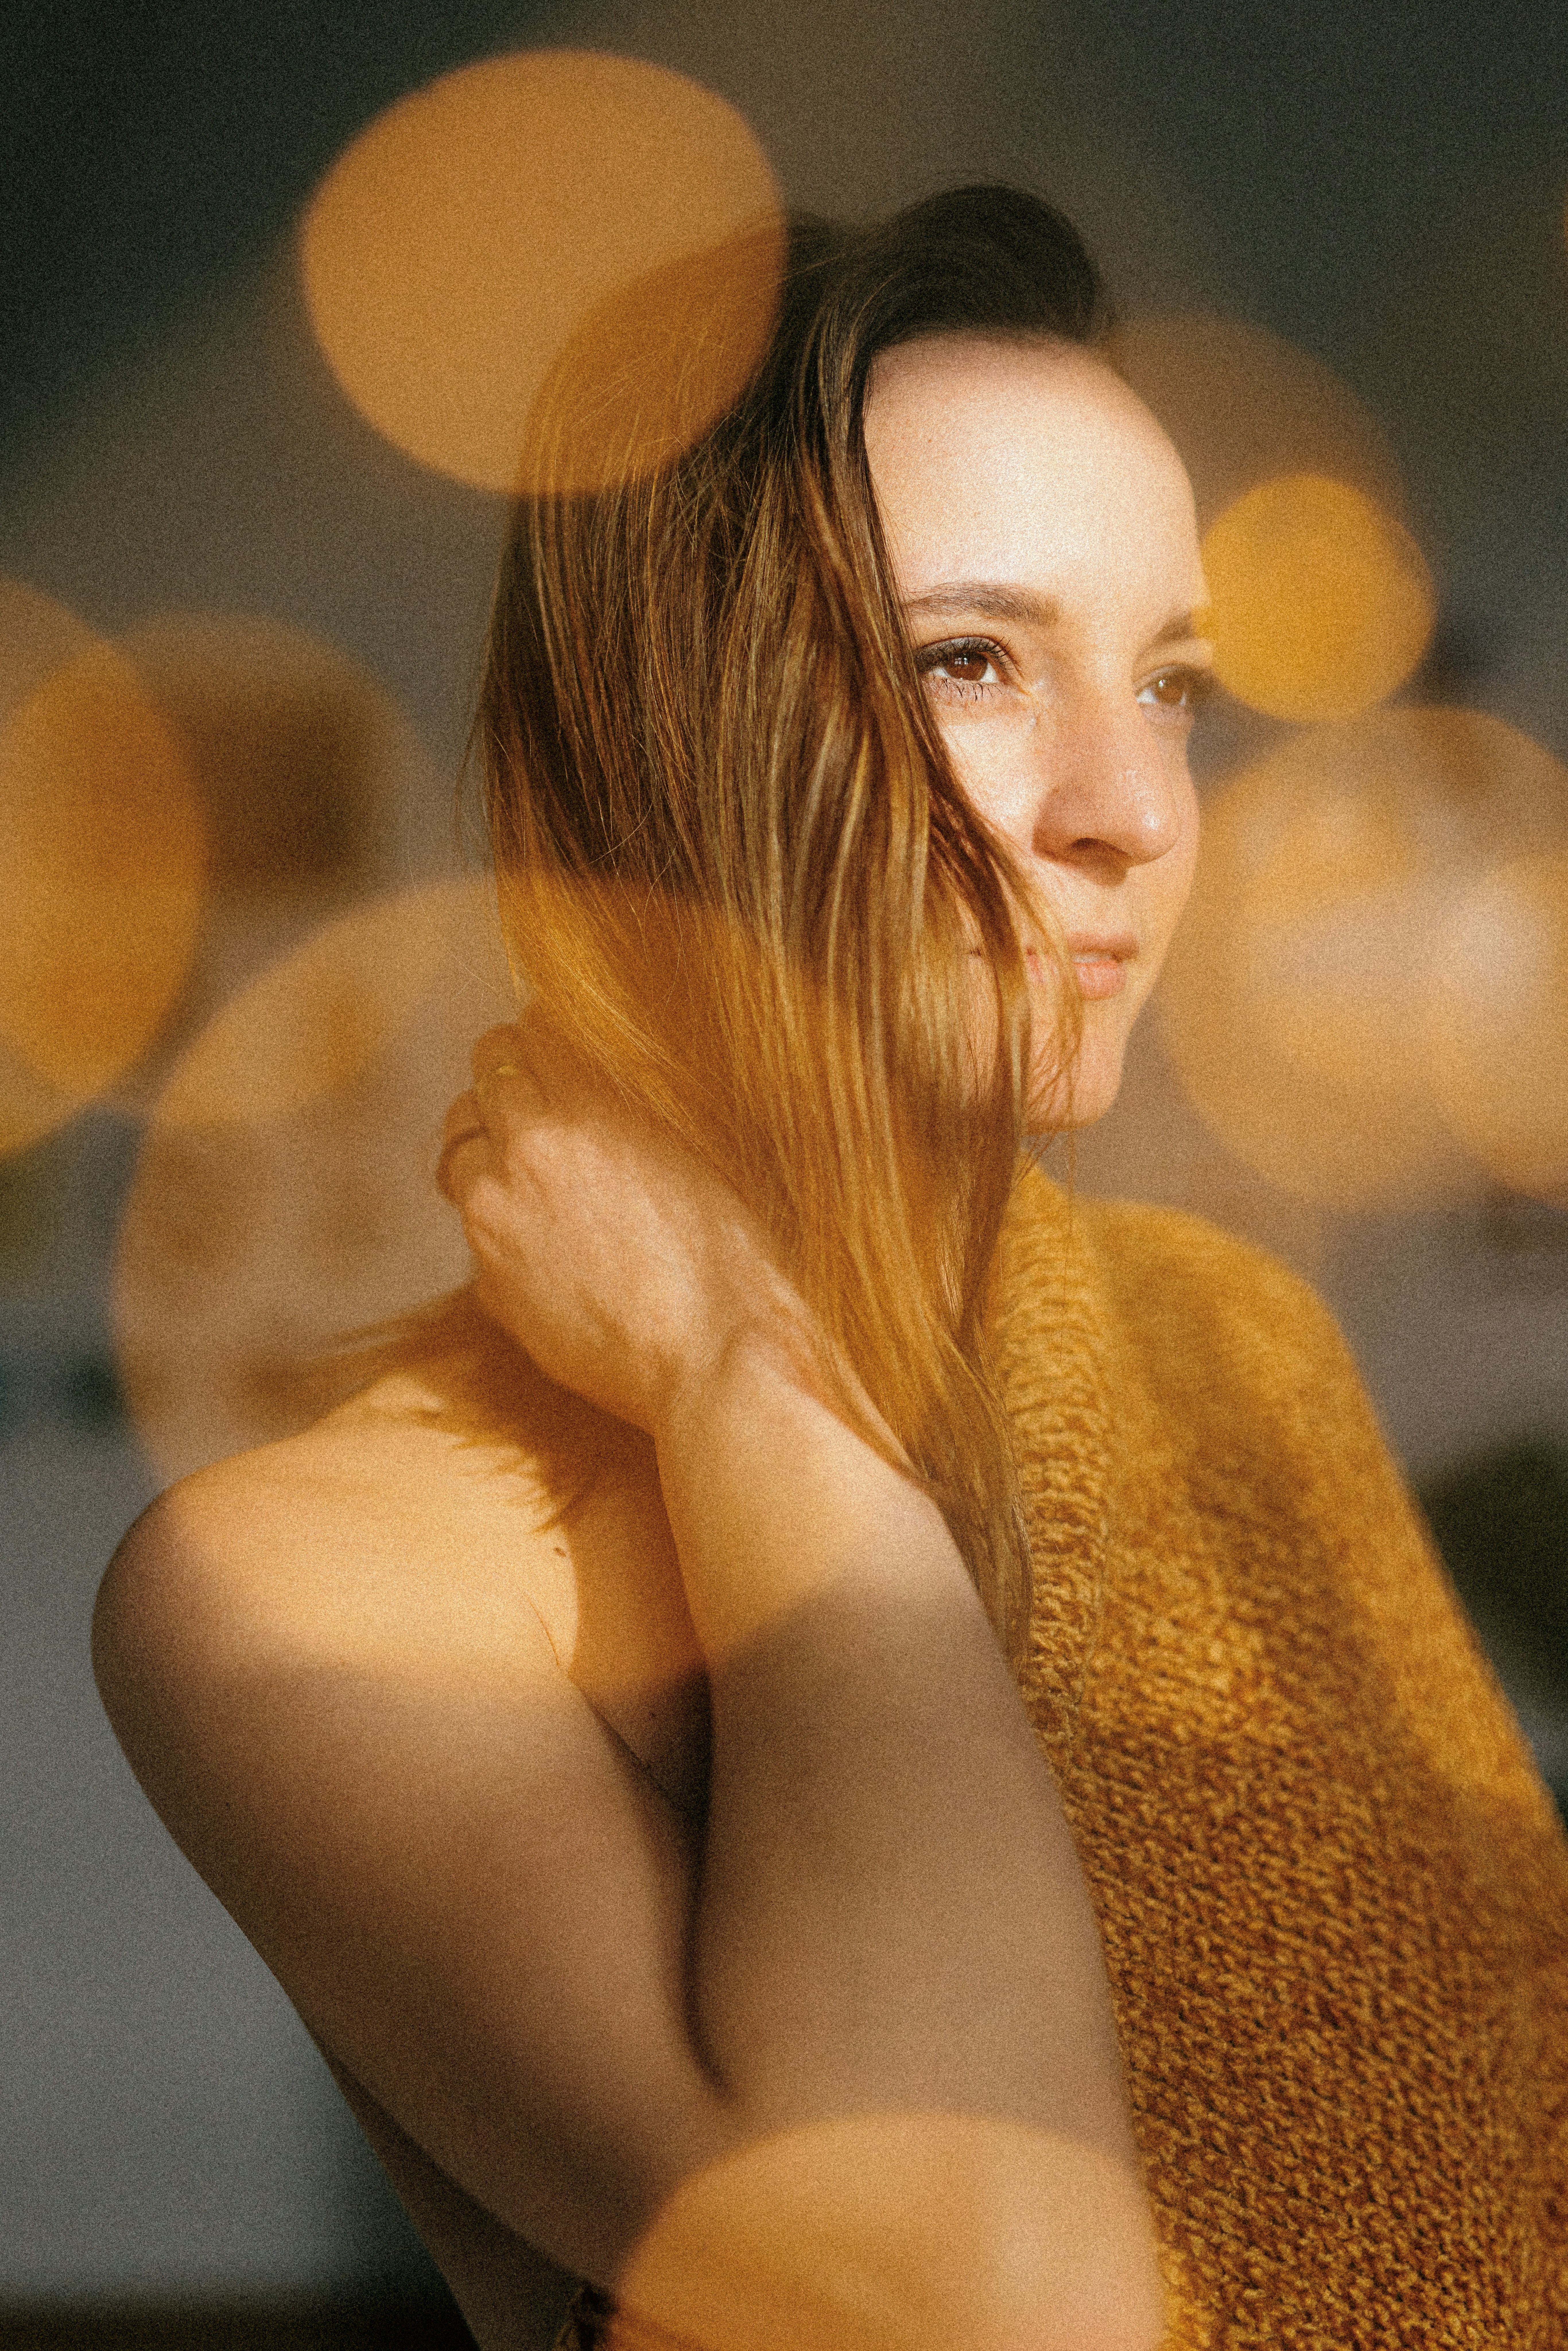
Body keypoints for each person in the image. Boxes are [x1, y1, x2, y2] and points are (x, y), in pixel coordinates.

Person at [93, 189, 1568, 2350]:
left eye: (1167, 683)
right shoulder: (316, 1580)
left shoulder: (1224, 1344)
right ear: (660, 735)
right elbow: (979, 2299)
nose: (1134, 811)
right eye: (969, 660)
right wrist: (731, 1377)